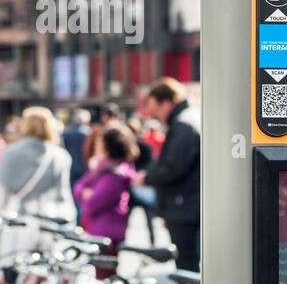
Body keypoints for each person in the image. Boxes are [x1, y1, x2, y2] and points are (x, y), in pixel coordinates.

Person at [137, 78, 200, 271]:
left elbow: (173, 167)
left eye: (156, 110)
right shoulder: (190, 118)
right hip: (188, 204)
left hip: (185, 206)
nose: (156, 117)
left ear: (166, 102)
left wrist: (146, 178)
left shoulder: (183, 124)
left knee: (187, 267)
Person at [0, 107, 75, 219]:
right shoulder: (60, 156)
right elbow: (62, 195)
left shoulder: (9, 152)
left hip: (14, 219)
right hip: (45, 220)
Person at [73, 124, 138, 265]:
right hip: (98, 228)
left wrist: (86, 194)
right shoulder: (99, 167)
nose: (96, 147)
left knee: (102, 275)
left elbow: (92, 203)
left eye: (100, 144)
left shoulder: (115, 173)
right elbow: (78, 187)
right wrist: (85, 193)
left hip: (107, 231)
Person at [126, 115, 156, 243]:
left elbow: (149, 165)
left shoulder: (144, 146)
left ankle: (152, 240)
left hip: (140, 185)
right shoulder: (128, 147)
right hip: (132, 185)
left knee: (148, 217)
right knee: (128, 216)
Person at [82, 101, 121, 166]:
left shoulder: (122, 131)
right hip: (103, 165)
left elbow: (86, 151)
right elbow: (87, 150)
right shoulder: (97, 131)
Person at [62, 108, 91, 190]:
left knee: (72, 190)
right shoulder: (88, 132)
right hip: (85, 166)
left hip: (71, 166)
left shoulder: (68, 132)